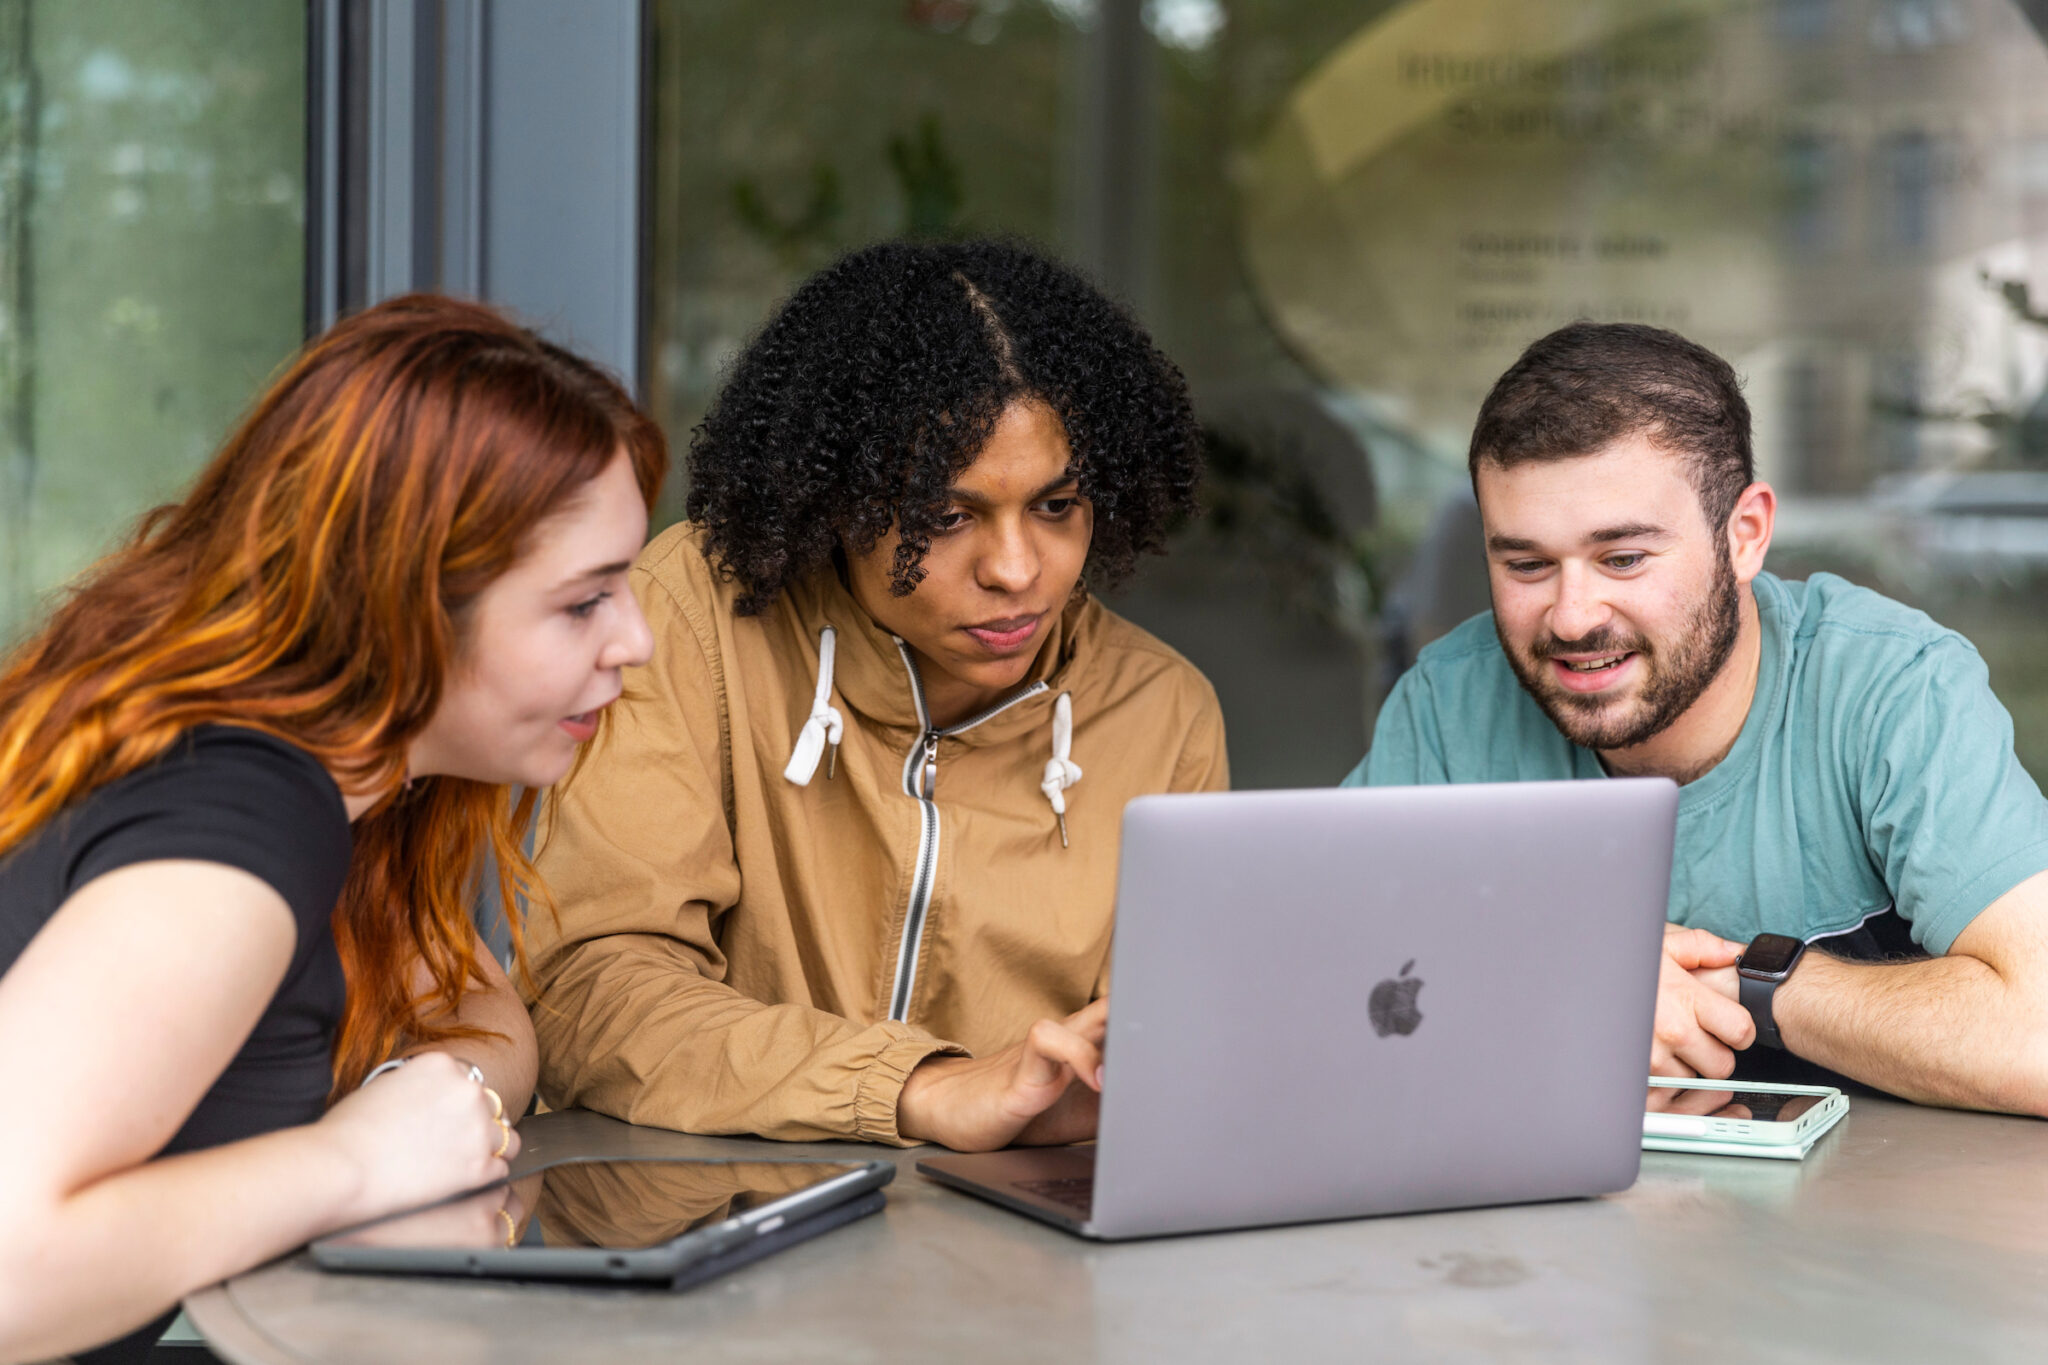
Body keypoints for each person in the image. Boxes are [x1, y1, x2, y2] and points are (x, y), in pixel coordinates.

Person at [0, 294, 665, 1363]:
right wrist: (354, 1167)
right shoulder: (237, 821)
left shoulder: (341, 792)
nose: (633, 639)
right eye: (582, 603)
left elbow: (471, 1015)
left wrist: (422, 1103)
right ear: (408, 605)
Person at [526, 239, 1225, 1153]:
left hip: (1013, 1262)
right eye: (946, 515)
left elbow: (1174, 1068)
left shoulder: (1164, 713)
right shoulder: (691, 617)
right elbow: (592, 995)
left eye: (1056, 506)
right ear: (836, 499)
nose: (1016, 570)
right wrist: (918, 1087)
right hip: (705, 1235)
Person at [1347, 321, 2048, 1113]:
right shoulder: (1450, 703)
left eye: (1624, 558)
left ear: (1745, 535)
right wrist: (1563, 978)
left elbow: (2039, 1034)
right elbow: (1317, 982)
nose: (1573, 617)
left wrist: (1747, 988)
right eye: (1527, 564)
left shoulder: (1889, 687)